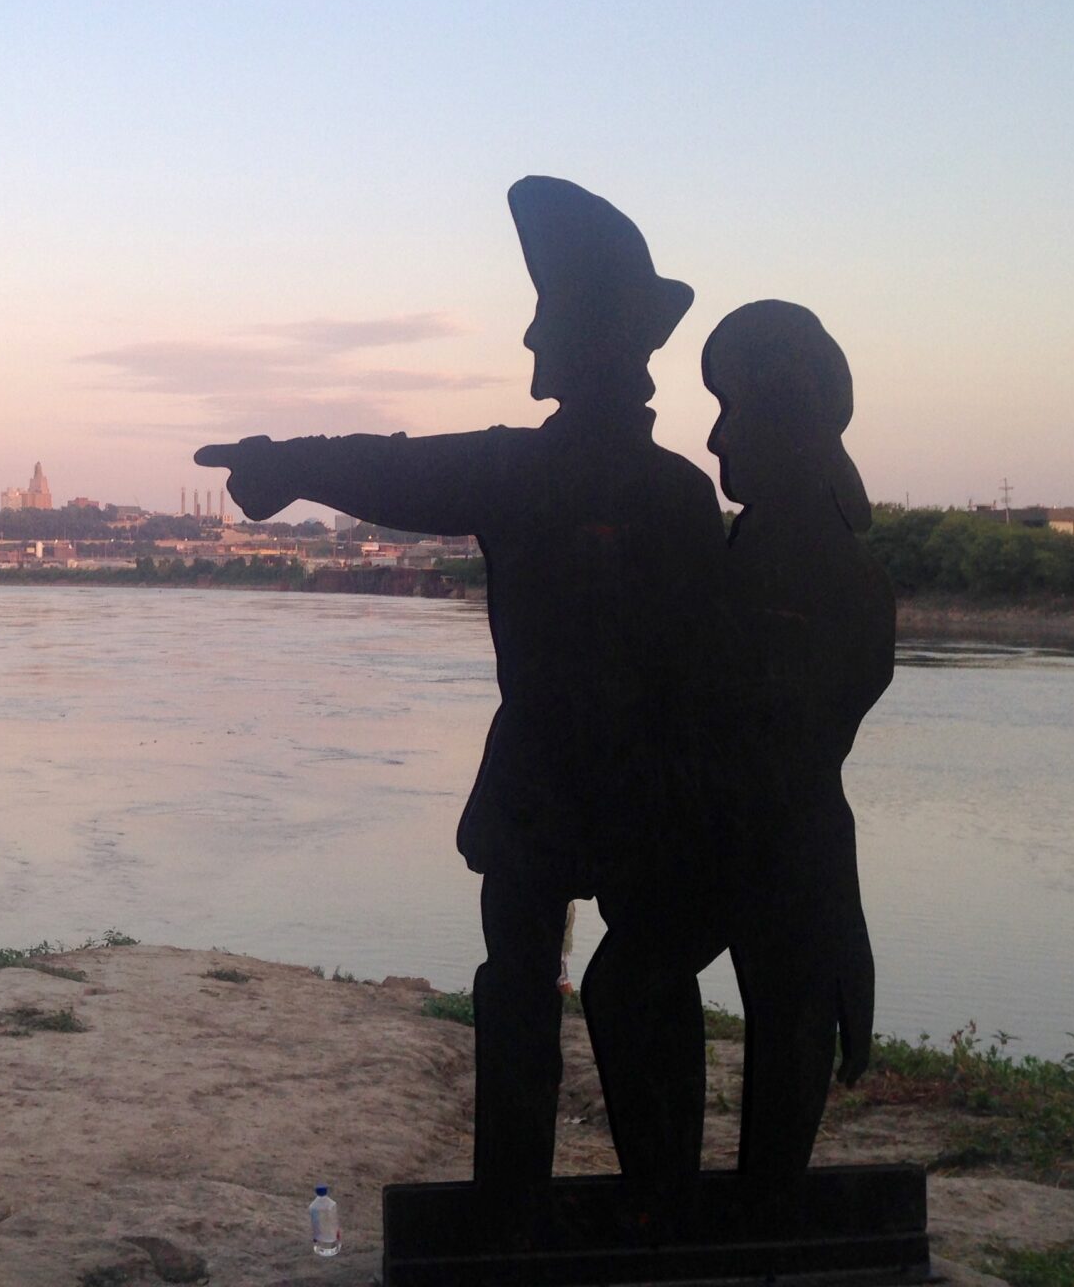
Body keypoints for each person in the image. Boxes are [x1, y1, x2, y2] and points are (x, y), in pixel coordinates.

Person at [196, 176, 726, 1225]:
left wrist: (278, 466)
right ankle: (661, 1203)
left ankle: (511, 1208)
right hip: (645, 788)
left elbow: (392, 469)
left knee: (523, 984)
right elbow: (713, 669)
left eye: (543, 322)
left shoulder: (521, 472)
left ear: (583, 339)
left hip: (543, 779)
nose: (528, 343)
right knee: (638, 989)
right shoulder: (672, 494)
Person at [704, 300, 891, 1183]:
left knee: (781, 1023)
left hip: (771, 853)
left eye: (731, 408)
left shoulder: (814, 564)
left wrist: (840, 923)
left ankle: (755, 1218)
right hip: (770, 848)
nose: (716, 438)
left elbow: (799, 761)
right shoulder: (776, 547)